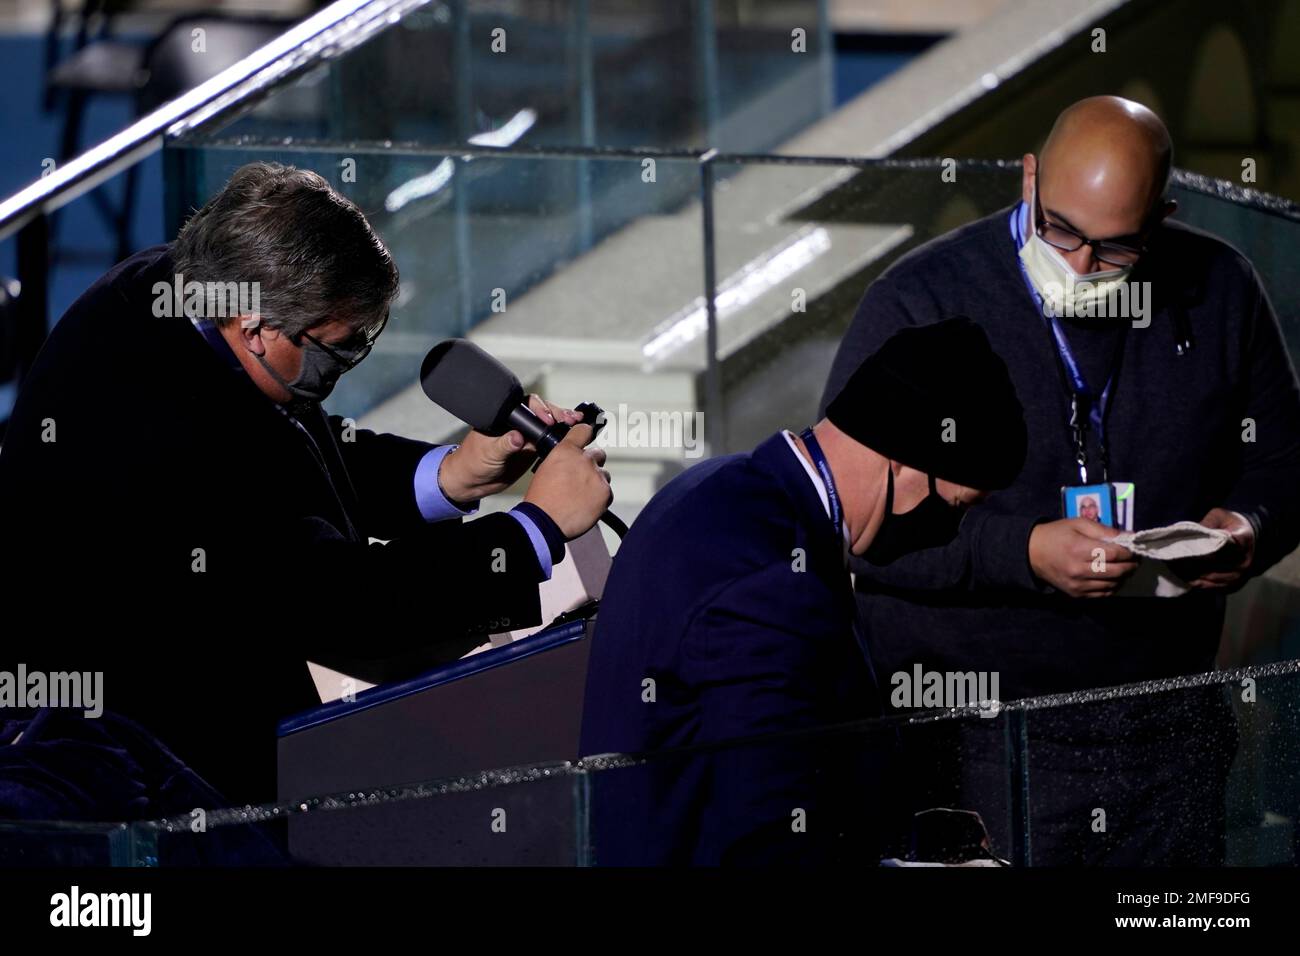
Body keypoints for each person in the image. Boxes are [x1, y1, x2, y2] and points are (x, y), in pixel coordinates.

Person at [0, 162, 613, 811]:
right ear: (257, 327)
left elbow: (291, 452)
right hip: (144, 767)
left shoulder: (192, 289)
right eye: (336, 353)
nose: (341, 372)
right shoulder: (163, 428)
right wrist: (535, 528)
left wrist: (451, 473)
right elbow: (348, 609)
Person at [821, 96, 1300, 864]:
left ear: (1162, 218)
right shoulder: (924, 301)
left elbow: (1286, 461)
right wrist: (1028, 551)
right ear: (1029, 178)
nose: (1079, 265)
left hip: (1167, 726)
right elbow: (855, 528)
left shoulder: (1221, 286)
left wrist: (1250, 527)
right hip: (976, 735)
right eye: (1061, 230)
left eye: (1114, 250)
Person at [580, 317, 1027, 865]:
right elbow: (768, 836)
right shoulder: (771, 581)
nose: (949, 531)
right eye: (956, 506)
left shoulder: (717, 489)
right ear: (903, 453)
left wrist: (904, 838)